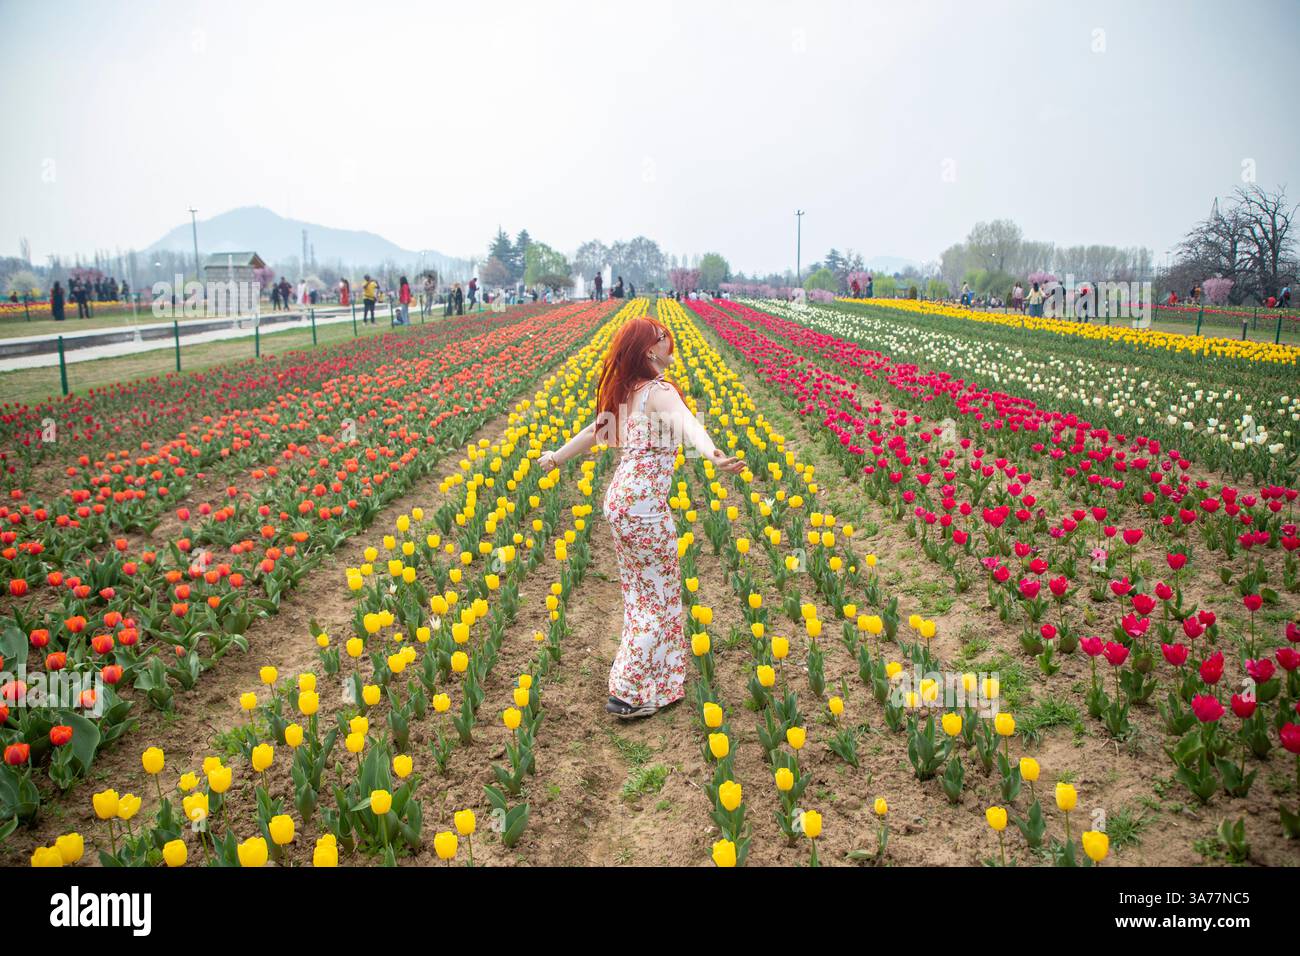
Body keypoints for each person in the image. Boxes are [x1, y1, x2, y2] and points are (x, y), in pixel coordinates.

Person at [536, 317, 743, 718]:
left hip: (621, 503)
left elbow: (595, 431)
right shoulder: (659, 392)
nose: (670, 344)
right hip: (645, 508)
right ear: (650, 351)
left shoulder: (628, 392)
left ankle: (656, 685)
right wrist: (713, 453)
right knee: (660, 597)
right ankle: (629, 692)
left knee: (639, 594)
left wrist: (557, 457)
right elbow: (689, 425)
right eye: (665, 339)